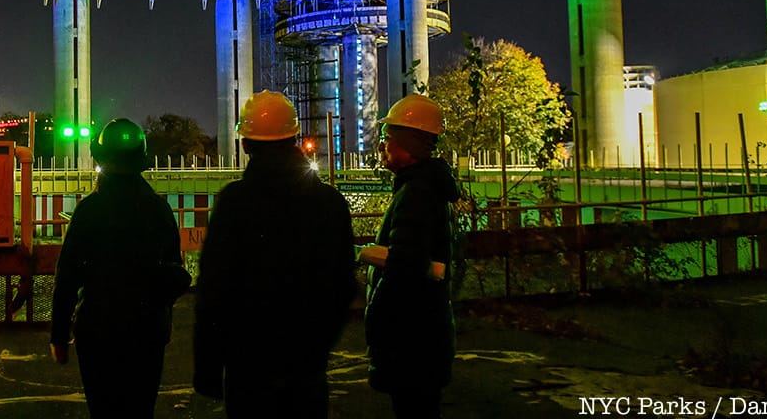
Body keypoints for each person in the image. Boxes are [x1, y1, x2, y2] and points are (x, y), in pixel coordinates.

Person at [193, 91, 357, 417]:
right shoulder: (329, 202)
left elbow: (213, 291)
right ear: (295, 136)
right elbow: (343, 286)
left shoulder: (234, 203)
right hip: (307, 367)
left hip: (248, 369)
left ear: (245, 144)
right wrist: (318, 346)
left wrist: (208, 368)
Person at [51, 117, 192, 418]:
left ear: (101, 157)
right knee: (140, 409)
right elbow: (174, 271)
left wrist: (59, 336)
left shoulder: (90, 210)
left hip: (98, 332)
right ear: (142, 158)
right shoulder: (158, 209)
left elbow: (67, 276)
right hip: (147, 332)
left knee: (104, 409)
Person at [361, 94, 460, 419]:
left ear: (410, 146)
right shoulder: (423, 187)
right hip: (424, 335)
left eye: (389, 139)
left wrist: (375, 319)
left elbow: (406, 267)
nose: (383, 146)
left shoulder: (416, 193)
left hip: (411, 339)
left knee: (414, 408)